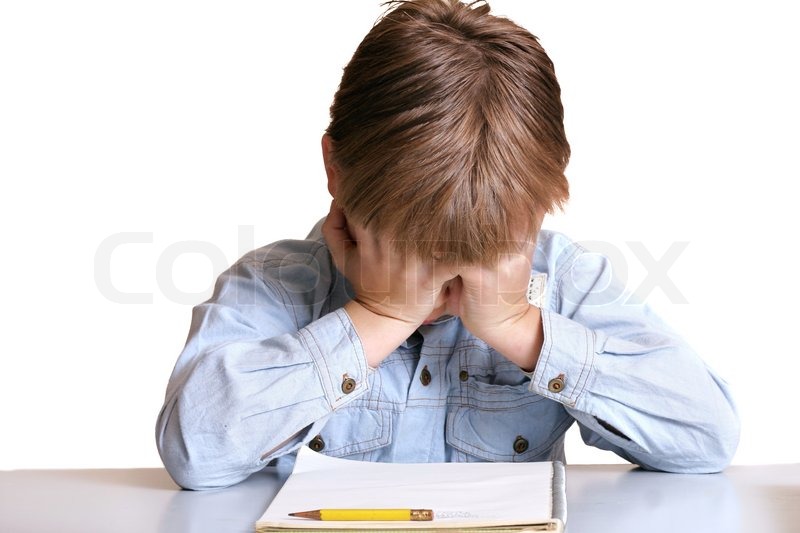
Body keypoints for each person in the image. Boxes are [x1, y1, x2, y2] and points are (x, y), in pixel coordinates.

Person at [156, 0, 739, 490]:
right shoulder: (273, 285)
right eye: (410, 252)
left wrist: (520, 327)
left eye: (485, 253)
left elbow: (707, 436)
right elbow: (193, 452)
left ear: (543, 199)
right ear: (337, 171)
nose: (443, 284)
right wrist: (380, 315)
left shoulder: (564, 283)